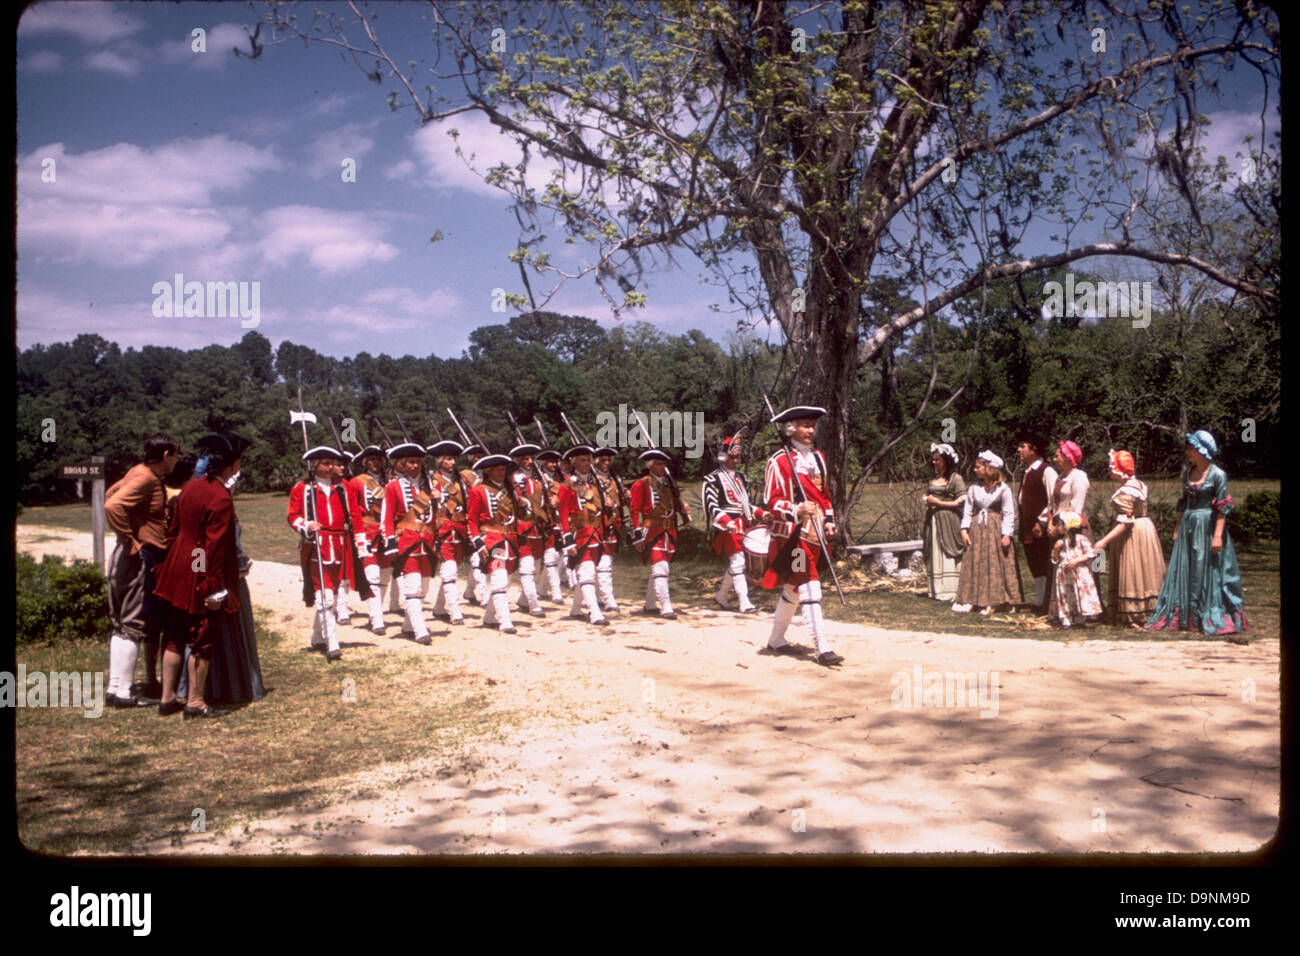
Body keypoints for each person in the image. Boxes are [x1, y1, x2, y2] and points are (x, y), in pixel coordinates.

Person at [153, 432, 248, 719]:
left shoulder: (191, 488)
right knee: (202, 637)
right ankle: (195, 701)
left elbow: (175, 532)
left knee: (173, 635)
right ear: (231, 466)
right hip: (198, 567)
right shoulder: (220, 498)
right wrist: (210, 587)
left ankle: (167, 698)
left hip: (177, 567)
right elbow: (212, 547)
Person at [760, 405, 843, 667]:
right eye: (805, 425)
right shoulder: (779, 461)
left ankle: (775, 640)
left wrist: (829, 521)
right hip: (793, 536)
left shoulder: (818, 458)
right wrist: (796, 509)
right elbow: (771, 501)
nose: (811, 430)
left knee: (795, 584)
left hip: (816, 533)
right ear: (791, 429)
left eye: (812, 425)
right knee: (808, 579)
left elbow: (824, 496)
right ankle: (822, 647)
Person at [103, 433, 180, 707]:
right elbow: (112, 504)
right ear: (164, 456)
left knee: (122, 623)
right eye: (175, 455)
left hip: (129, 554)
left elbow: (112, 492)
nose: (176, 460)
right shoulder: (147, 478)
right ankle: (123, 692)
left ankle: (116, 688)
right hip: (140, 554)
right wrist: (131, 540)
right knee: (134, 622)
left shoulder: (137, 472)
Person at [1146, 431, 1247, 636]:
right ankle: (1184, 616)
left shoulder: (1218, 474)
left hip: (1207, 526)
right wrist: (1177, 528)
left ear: (1202, 450)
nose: (1188, 451)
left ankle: (1204, 615)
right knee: (1185, 567)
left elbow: (1222, 507)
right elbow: (1184, 504)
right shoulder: (1188, 473)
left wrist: (1218, 535)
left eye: (1192, 448)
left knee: (1204, 567)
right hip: (1188, 526)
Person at [288, 446, 357, 659]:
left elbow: (352, 515)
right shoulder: (302, 488)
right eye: (325, 463)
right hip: (316, 545)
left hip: (339, 544)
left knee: (334, 593)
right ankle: (332, 641)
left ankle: (317, 636)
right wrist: (307, 525)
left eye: (332, 463)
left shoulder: (342, 488)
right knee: (324, 594)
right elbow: (293, 516)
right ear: (314, 465)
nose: (330, 468)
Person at [1090, 450, 1166, 627]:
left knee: (1134, 568)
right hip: (1145, 528)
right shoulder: (1138, 484)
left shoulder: (1127, 490)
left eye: (1111, 467)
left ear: (1118, 469)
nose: (1109, 470)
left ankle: (1135, 613)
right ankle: (1147, 609)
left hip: (1134, 533)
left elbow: (1125, 522)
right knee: (1143, 569)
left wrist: (1104, 541)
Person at [702, 436, 767, 613]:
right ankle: (744, 601)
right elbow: (712, 505)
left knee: (737, 564)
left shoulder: (742, 479)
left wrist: (763, 513)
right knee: (738, 562)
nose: (736, 461)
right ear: (723, 457)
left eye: (737, 457)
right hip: (726, 527)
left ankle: (721, 596)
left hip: (743, 524)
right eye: (732, 457)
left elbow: (746, 505)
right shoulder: (712, 479)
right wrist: (727, 522)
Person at [953, 451, 1023, 615]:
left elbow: (1009, 513)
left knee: (996, 564)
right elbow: (968, 512)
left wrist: (1006, 534)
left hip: (995, 530)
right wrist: (964, 529)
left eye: (978, 467)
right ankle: (973, 599)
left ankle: (997, 601)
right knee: (976, 563)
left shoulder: (1002, 489)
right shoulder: (973, 489)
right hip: (978, 529)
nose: (975, 470)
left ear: (988, 468)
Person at [381, 442, 438, 644]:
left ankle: (408, 624)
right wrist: (389, 541)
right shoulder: (393, 487)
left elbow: (435, 517)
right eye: (411, 462)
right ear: (403, 465)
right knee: (412, 587)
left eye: (418, 462)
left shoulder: (429, 487)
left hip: (427, 542)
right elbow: (387, 517)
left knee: (424, 588)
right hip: (407, 541)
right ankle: (420, 629)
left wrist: (438, 500)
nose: (415, 466)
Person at [629, 449, 691, 619]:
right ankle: (666, 606)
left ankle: (650, 604)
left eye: (664, 464)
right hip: (652, 531)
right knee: (661, 567)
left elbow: (673, 506)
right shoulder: (641, 484)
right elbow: (634, 512)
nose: (662, 467)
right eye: (658, 463)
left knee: (659, 569)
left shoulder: (669, 485)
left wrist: (683, 507)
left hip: (668, 532)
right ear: (650, 465)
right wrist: (637, 536)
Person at [556, 445, 612, 627]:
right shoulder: (567, 487)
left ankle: (575, 609)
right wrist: (568, 542)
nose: (587, 463)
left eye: (588, 460)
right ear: (573, 462)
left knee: (590, 573)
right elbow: (563, 516)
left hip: (597, 534)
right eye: (582, 460)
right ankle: (595, 613)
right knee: (587, 573)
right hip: (580, 535)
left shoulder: (595, 485)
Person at [467, 453, 521, 633]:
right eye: (497, 469)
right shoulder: (478, 491)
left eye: (503, 469)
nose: (500, 473)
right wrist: (478, 543)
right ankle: (505, 621)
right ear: (489, 471)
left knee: (504, 581)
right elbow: (472, 520)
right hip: (491, 541)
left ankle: (489, 616)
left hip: (510, 541)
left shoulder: (510, 491)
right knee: (498, 579)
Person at [348, 443, 392, 634]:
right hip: (367, 532)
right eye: (372, 459)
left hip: (385, 532)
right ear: (366, 462)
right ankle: (376, 619)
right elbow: (354, 511)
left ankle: (377, 612)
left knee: (385, 574)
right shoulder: (357, 482)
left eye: (378, 459)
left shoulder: (389, 481)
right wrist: (359, 535)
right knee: (372, 575)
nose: (375, 463)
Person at [427, 439, 469, 626]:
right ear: (440, 461)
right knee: (449, 571)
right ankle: (455, 611)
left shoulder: (462, 480)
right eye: (449, 459)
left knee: (451, 570)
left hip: (460, 531)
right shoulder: (432, 480)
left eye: (454, 459)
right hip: (442, 530)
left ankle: (438, 607)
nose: (453, 463)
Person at [1015, 432, 1057, 611]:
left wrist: (1041, 522)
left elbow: (1053, 499)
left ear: (1034, 449)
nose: (1019, 450)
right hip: (1027, 527)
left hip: (1040, 527)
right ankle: (1039, 600)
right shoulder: (1028, 471)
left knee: (1043, 562)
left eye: (1022, 447)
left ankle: (1047, 600)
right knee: (1034, 563)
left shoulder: (1046, 470)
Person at [921, 442, 965, 602]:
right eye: (933, 460)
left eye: (937, 460)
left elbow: (961, 502)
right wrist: (928, 501)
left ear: (946, 461)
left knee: (948, 550)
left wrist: (939, 503)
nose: (934, 462)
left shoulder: (955, 479)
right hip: (933, 520)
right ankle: (936, 590)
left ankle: (950, 590)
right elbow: (927, 495)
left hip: (949, 519)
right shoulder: (933, 479)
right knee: (935, 550)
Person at [509, 443, 548, 617]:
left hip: (538, 527)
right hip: (523, 527)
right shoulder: (512, 479)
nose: (530, 461)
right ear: (518, 460)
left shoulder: (539, 479)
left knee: (536, 567)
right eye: (526, 458)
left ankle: (524, 600)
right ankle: (534, 604)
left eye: (532, 458)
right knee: (527, 567)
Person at [1047, 512, 1102, 627]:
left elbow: (1090, 554)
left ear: (1068, 526)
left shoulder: (1081, 539)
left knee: (1079, 593)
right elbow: (1055, 559)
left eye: (1060, 525)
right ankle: (1066, 617)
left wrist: (1077, 560)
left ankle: (1080, 618)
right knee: (1065, 593)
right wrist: (1056, 549)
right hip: (1065, 573)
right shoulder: (1061, 541)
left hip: (1079, 573)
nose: (1058, 527)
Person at [592, 447, 626, 614]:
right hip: (597, 524)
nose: (606, 463)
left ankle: (597, 596)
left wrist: (625, 495)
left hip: (613, 524)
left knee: (605, 562)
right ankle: (608, 598)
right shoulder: (590, 480)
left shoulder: (613, 479)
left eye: (608, 460)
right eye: (603, 460)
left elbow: (621, 500)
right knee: (601, 563)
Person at [535, 448, 567, 602]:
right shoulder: (537, 479)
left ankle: (542, 589)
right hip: (542, 520)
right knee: (551, 555)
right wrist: (547, 501)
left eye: (556, 462)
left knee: (558, 555)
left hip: (559, 520)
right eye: (551, 462)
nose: (554, 465)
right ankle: (556, 591)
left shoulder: (561, 479)